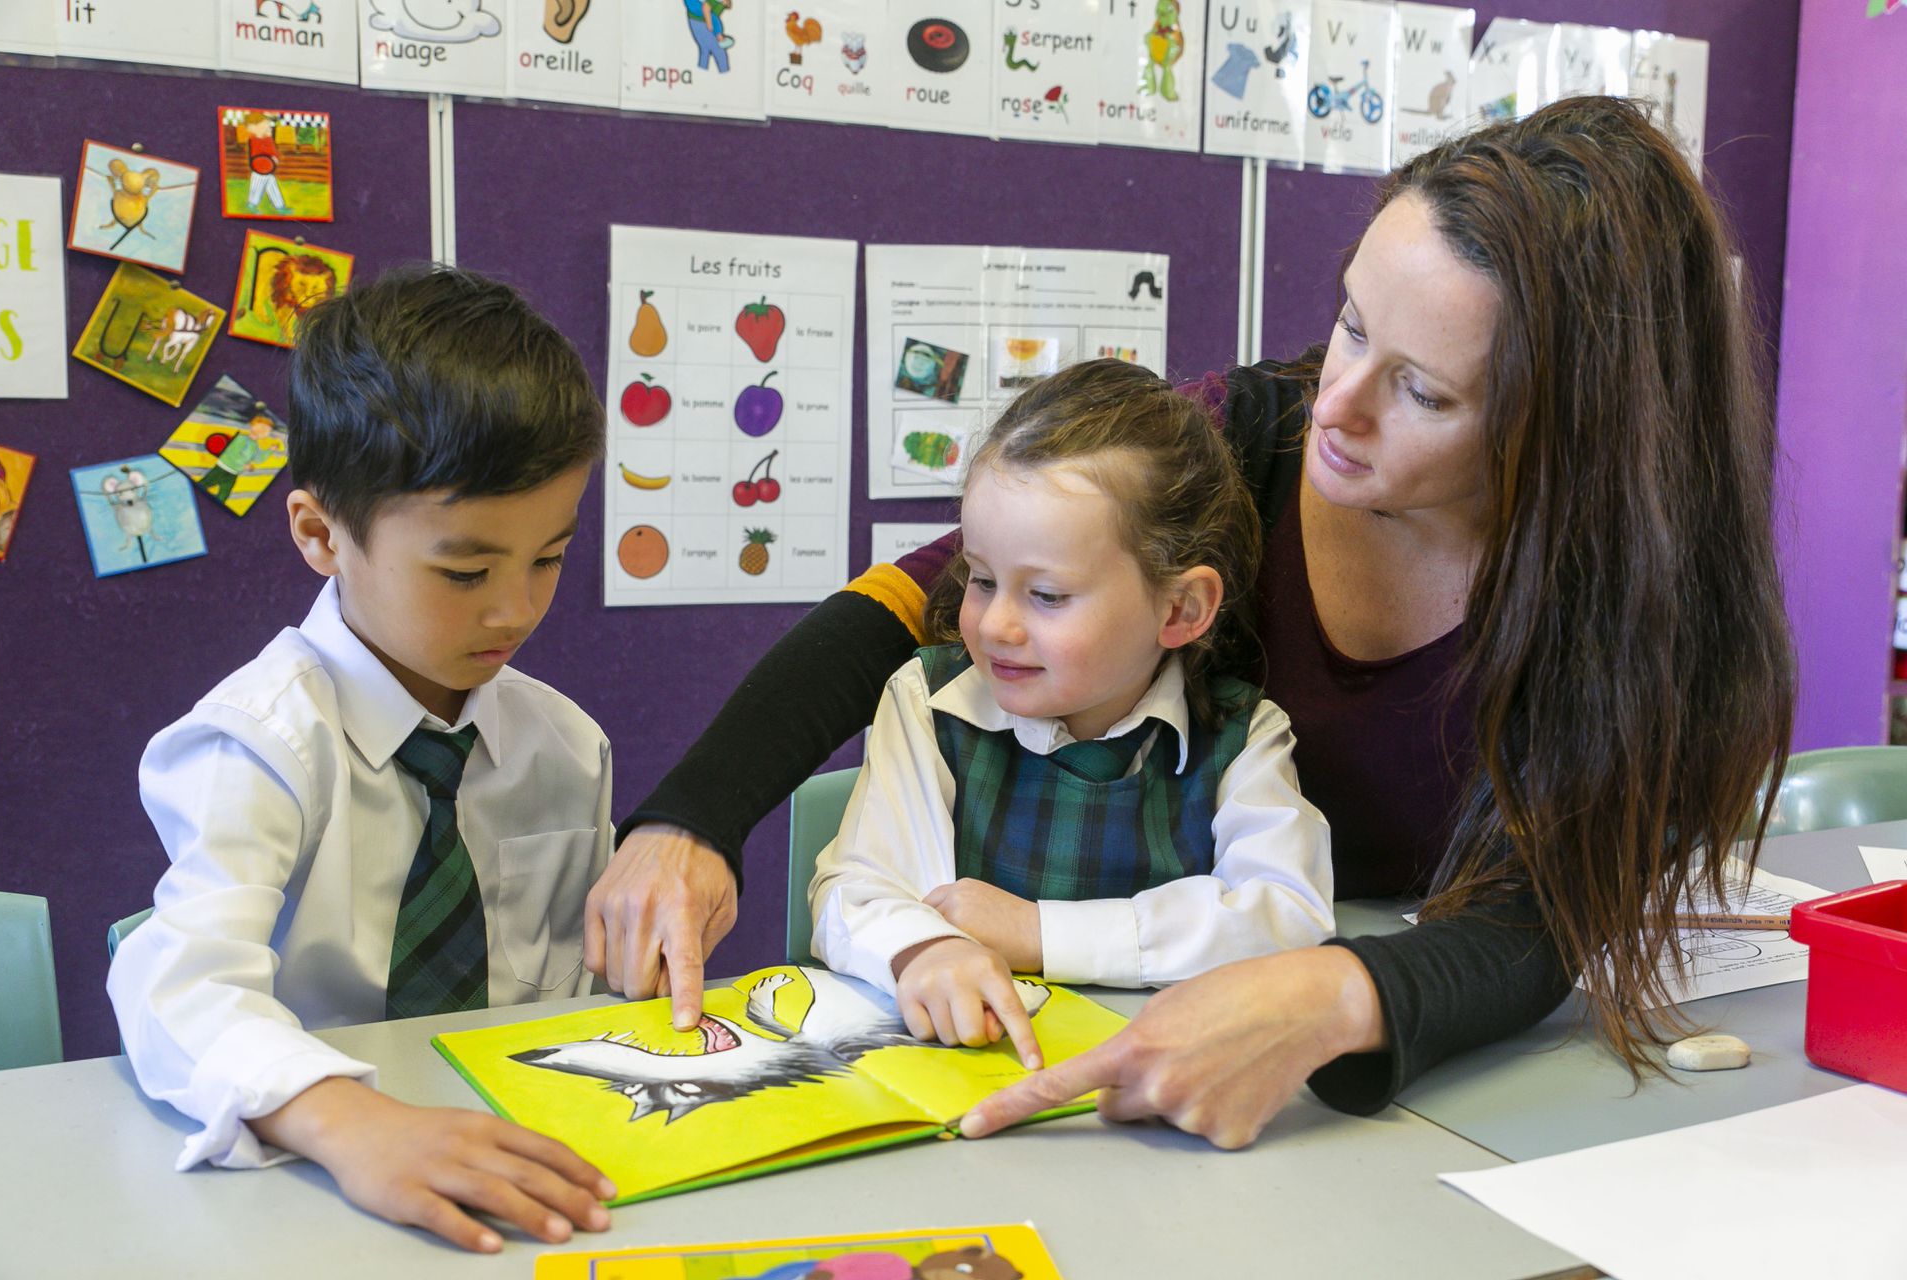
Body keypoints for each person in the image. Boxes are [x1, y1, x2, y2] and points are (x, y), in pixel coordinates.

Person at [587, 94, 1793, 1149]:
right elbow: (912, 606)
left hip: (1400, 1048)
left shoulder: (1639, 606)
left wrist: (1330, 995)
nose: (1341, 401)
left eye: (1422, 390)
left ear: (1566, 429)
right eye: (1353, 323)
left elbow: (1537, 922)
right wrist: (692, 816)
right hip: (1146, 1030)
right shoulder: (1232, 449)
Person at [109, 266, 619, 1252]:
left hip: (516, 1173)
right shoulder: (259, 741)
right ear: (318, 533)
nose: (515, 606)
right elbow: (175, 981)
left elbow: (566, 998)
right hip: (308, 1182)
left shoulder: (565, 744)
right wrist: (351, 1120)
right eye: (465, 569)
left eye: (548, 556)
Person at [810, 360, 1333, 1065]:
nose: (996, 624)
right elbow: (854, 889)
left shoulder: (1243, 739)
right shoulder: (928, 701)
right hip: (970, 1079)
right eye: (982, 580)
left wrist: (1039, 933)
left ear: (1180, 609)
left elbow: (1289, 919)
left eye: (1047, 596)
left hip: (1158, 1086)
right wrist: (923, 948)